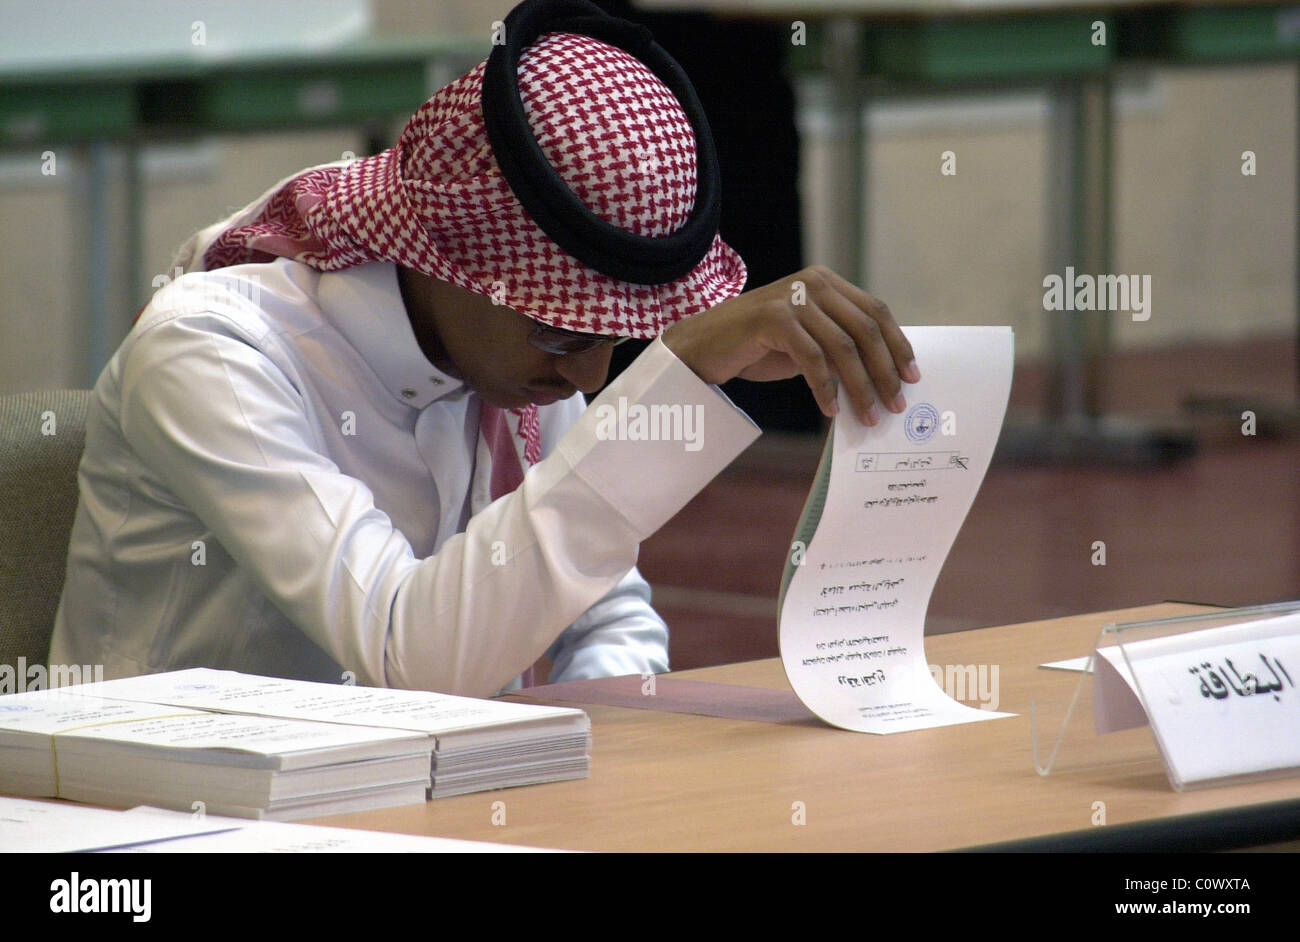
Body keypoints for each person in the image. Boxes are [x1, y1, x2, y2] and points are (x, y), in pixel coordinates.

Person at [49, 0, 918, 697]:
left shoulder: (522, 363)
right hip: (165, 824)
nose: (589, 374)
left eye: (621, 338)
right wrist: (671, 387)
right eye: (565, 329)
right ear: (443, 253)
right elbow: (409, 652)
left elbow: (609, 626)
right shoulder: (212, 354)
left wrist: (600, 770)